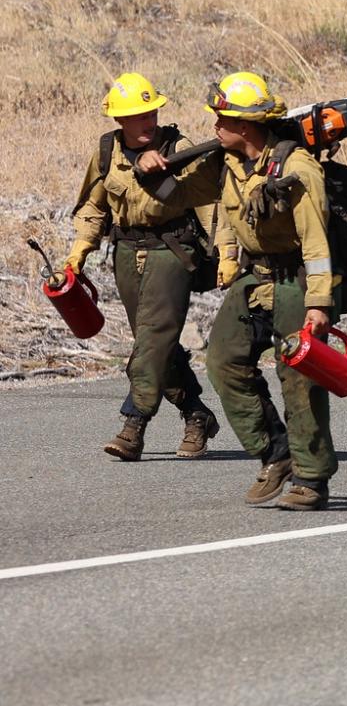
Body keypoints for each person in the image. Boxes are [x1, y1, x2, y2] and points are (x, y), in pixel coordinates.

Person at [69, 73, 225, 461]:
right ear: (120, 120)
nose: (149, 120)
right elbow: (93, 206)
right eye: (139, 115)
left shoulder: (179, 147)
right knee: (157, 345)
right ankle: (196, 415)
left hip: (171, 251)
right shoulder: (107, 151)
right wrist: (78, 254)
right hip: (125, 253)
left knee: (152, 340)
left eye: (152, 111)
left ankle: (133, 424)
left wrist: (226, 255)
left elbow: (210, 204)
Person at [201, 72, 338, 511]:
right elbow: (225, 214)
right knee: (222, 362)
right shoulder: (232, 165)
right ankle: (275, 453)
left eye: (222, 117)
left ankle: (312, 478)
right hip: (253, 277)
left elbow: (316, 242)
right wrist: (226, 255)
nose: (214, 125)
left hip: (294, 280)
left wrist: (318, 303)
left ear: (246, 126)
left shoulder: (298, 169)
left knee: (299, 380)